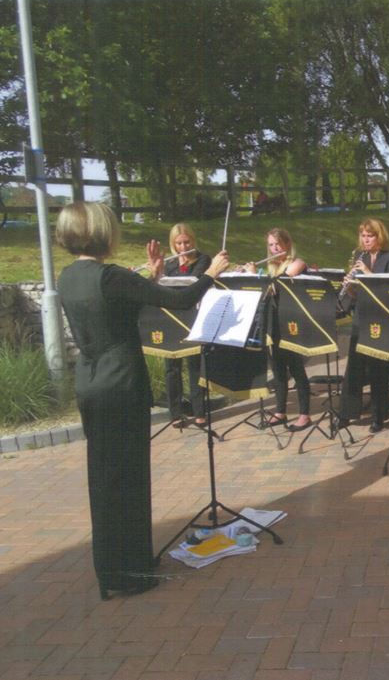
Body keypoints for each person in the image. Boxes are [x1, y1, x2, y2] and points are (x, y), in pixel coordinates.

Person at [56, 202, 229, 599]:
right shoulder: (111, 276)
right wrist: (211, 273)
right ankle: (130, 573)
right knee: (130, 478)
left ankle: (113, 569)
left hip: (90, 381)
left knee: (104, 478)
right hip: (121, 383)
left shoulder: (68, 276)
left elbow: (117, 305)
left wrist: (152, 276)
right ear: (102, 233)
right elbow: (181, 300)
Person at [243, 228, 312, 432]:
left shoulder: (297, 263)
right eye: (271, 245)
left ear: (287, 244)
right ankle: (281, 411)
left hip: (291, 324)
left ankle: (305, 414)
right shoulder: (271, 268)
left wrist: (255, 275)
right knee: (278, 369)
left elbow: (276, 286)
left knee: (296, 368)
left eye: (278, 245)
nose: (274, 249)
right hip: (273, 323)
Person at [339, 219, 389, 433]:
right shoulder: (360, 256)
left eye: (370, 235)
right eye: (363, 235)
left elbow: (387, 289)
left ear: (379, 236)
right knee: (354, 367)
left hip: (381, 318)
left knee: (378, 368)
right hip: (361, 314)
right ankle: (346, 413)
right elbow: (357, 293)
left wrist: (366, 272)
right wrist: (349, 287)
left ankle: (378, 416)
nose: (366, 240)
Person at [162, 223, 212, 427]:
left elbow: (194, 282)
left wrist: (171, 274)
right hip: (172, 317)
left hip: (193, 316)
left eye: (186, 242)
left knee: (195, 365)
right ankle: (175, 414)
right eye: (179, 244)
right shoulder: (169, 264)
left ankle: (199, 411)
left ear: (193, 240)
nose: (183, 247)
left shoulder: (203, 259)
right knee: (171, 367)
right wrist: (155, 272)